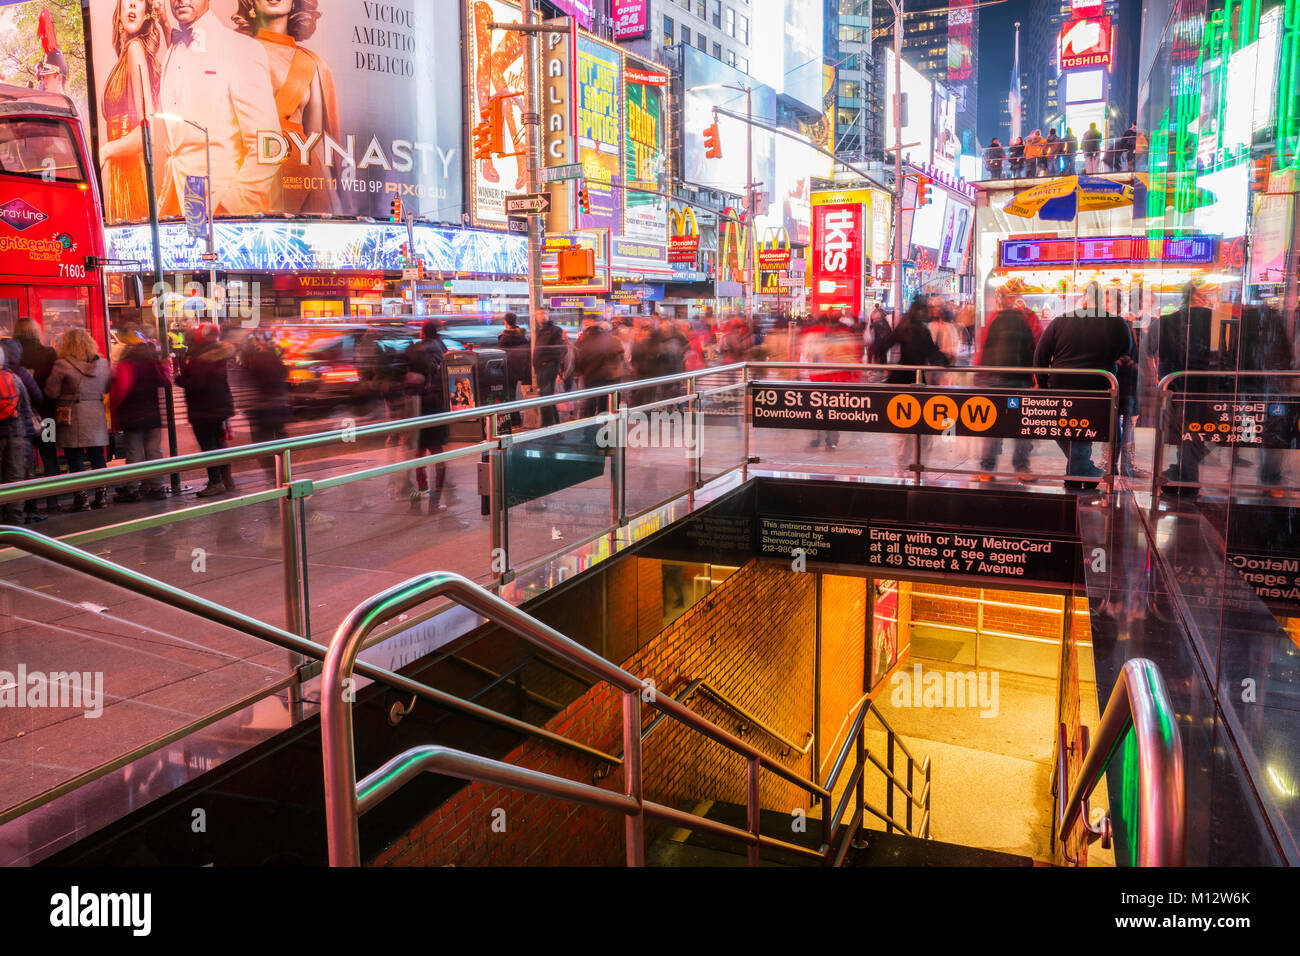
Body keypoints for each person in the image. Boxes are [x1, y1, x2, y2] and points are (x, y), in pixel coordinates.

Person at [155, 0, 281, 217]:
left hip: (221, 209)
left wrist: (231, 206)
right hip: (174, 207)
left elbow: (269, 145)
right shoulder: (170, 53)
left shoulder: (241, 49)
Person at [232, 0, 343, 214]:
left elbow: (316, 139)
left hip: (305, 177)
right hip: (253, 176)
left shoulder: (312, 63)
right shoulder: (232, 54)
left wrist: (335, 201)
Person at [1033, 283, 1133, 489]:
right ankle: (1088, 470)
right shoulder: (1117, 323)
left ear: (1084, 298)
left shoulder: (1061, 321)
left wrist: (1044, 386)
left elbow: (1040, 356)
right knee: (1092, 428)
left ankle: (1080, 474)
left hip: (1063, 386)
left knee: (1067, 430)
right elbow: (1128, 353)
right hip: (1101, 387)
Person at [99, 0, 167, 224]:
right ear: (118, 13)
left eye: (138, 2)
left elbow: (146, 134)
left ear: (147, 13)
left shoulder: (135, 49)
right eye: (126, 2)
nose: (131, 6)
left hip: (133, 177)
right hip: (121, 177)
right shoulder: (126, 55)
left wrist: (106, 150)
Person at [1155, 283, 1215, 497]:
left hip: (1178, 384)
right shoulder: (1214, 319)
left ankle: (1187, 477)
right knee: (1195, 429)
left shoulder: (1170, 320)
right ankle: (1185, 474)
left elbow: (1162, 353)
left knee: (1184, 430)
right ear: (1201, 297)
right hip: (1208, 386)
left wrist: (1165, 382)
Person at [45, 329, 113, 511]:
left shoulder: (62, 364)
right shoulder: (103, 363)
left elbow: (51, 392)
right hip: (96, 413)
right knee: (97, 455)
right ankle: (102, 497)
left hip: (72, 414)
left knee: (75, 457)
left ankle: (81, 499)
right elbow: (107, 387)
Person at [976, 295, 1038, 481]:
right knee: (1021, 426)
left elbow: (987, 348)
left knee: (994, 425)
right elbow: (1031, 351)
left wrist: (982, 375)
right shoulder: (1025, 323)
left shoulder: (995, 321)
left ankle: (986, 469)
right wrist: (1031, 377)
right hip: (1018, 382)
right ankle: (1021, 468)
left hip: (996, 381)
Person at [108, 326, 170, 502]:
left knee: (133, 453)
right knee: (154, 452)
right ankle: (157, 488)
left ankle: (132, 489)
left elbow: (120, 390)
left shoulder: (126, 365)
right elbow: (166, 381)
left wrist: (114, 414)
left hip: (132, 414)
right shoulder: (154, 364)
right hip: (152, 414)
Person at [177, 324, 238, 497]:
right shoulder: (219, 354)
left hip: (203, 408)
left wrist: (179, 379)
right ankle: (227, 480)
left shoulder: (200, 358)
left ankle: (215, 482)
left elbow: (195, 383)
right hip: (220, 406)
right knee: (219, 443)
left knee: (209, 446)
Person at [403, 320, 455, 509]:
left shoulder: (413, 349)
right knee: (437, 452)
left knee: (419, 450)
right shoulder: (442, 348)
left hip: (416, 404)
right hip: (435, 403)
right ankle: (435, 501)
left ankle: (422, 487)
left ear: (423, 333)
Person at [13, 318, 61, 513]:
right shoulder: (49, 353)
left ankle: (26, 504)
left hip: (21, 417)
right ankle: (53, 502)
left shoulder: (15, 354)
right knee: (49, 456)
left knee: (25, 460)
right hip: (47, 416)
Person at [0, 338, 44, 522]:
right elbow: (28, 404)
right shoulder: (17, 378)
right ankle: (15, 521)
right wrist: (29, 435)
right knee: (16, 478)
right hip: (18, 435)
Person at [242, 330, 291, 478]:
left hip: (262, 409)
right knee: (281, 441)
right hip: (280, 406)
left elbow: (248, 384)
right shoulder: (276, 359)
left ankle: (274, 476)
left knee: (263, 445)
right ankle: (284, 474)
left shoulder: (253, 362)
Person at [573, 315, 625, 419]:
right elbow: (618, 355)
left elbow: (577, 355)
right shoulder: (609, 339)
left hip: (590, 376)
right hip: (605, 375)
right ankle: (604, 427)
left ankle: (590, 428)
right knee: (603, 403)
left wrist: (580, 371)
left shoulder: (583, 338)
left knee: (590, 403)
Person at [531, 308, 566, 427]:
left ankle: (547, 425)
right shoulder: (538, 330)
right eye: (538, 314)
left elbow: (558, 349)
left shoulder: (554, 330)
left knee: (545, 396)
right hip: (541, 367)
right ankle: (553, 424)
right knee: (547, 396)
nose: (541, 316)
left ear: (548, 315)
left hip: (548, 366)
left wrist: (550, 361)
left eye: (543, 313)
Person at [496, 312, 531, 429]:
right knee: (520, 394)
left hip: (509, 368)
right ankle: (520, 420)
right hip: (522, 367)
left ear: (506, 322)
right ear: (516, 321)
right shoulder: (523, 335)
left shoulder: (505, 337)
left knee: (510, 395)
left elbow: (500, 354)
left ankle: (514, 420)